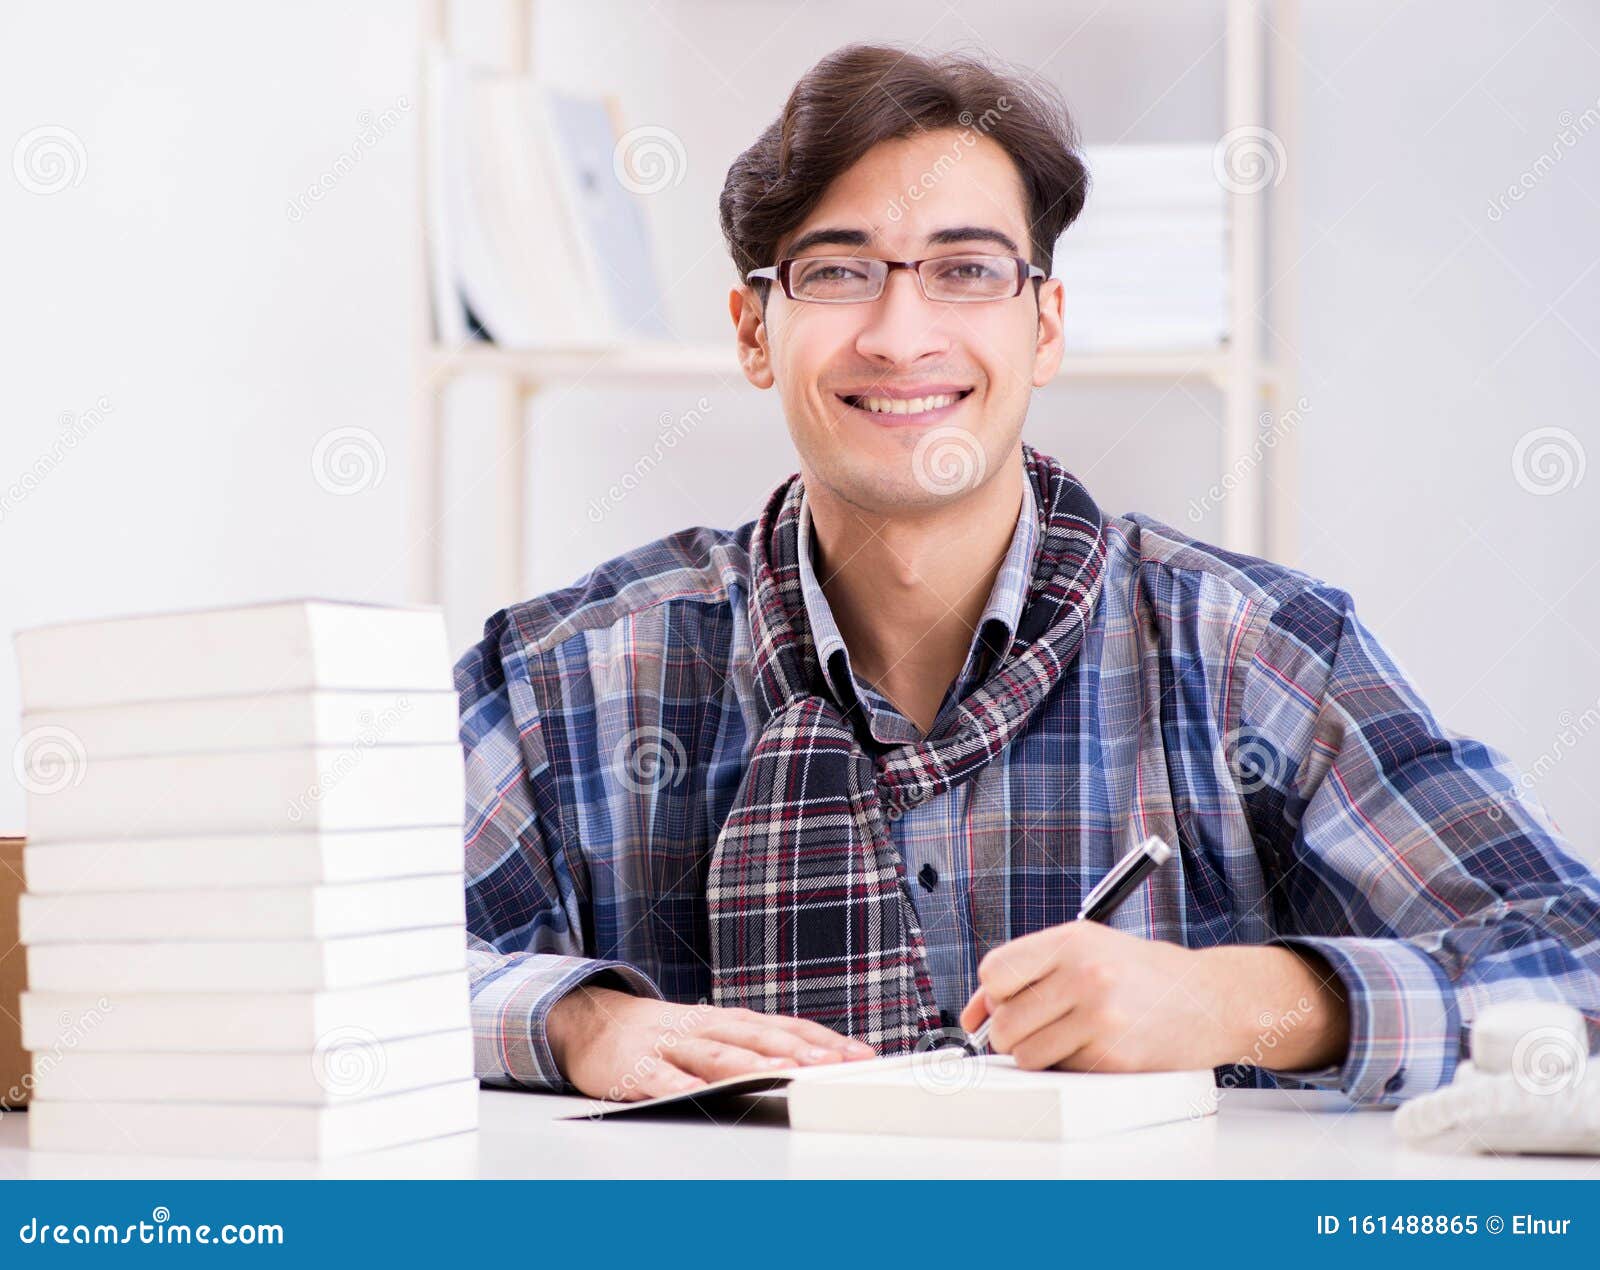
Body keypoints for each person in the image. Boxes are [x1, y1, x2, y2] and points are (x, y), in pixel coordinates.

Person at [454, 43, 1600, 1105]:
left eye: (964, 270)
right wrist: (572, 1023)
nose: (901, 336)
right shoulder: (567, 678)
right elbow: (315, 975)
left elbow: (1575, 967)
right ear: (755, 332)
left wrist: (1238, 1002)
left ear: (1044, 326)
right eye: (839, 273)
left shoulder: (1255, 652)